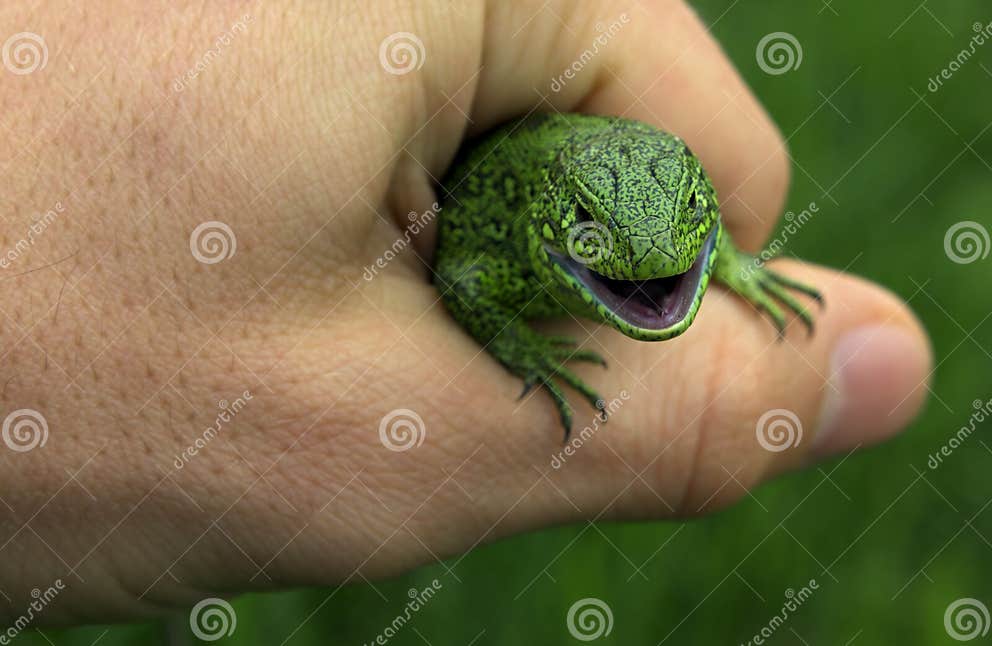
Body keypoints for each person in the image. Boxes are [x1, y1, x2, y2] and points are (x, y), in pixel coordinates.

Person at [0, 0, 929, 624]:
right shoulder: (512, 242)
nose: (658, 257)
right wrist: (527, 352)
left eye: (698, 221)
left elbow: (687, 220)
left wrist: (728, 258)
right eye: (597, 233)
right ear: (557, 224)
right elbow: (470, 278)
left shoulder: (673, 207)